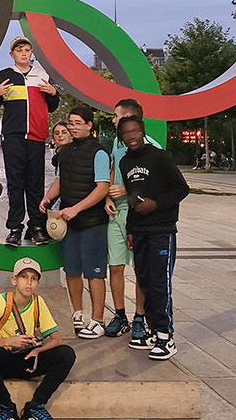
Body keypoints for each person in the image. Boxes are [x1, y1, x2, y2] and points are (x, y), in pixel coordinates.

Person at [117, 115, 190, 360]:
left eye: (135, 132)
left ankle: (166, 337)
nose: (131, 137)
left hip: (162, 230)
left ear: (143, 131)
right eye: (126, 134)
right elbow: (132, 197)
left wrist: (156, 204)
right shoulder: (125, 162)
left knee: (160, 283)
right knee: (145, 282)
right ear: (122, 138)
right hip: (139, 231)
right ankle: (152, 330)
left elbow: (182, 189)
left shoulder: (160, 157)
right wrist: (129, 229)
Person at [0, 258, 75, 420]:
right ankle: (6, 407)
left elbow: (56, 339)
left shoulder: (38, 302)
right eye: (24, 277)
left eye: (34, 278)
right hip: (4, 359)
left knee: (66, 354)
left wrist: (38, 350)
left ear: (38, 282)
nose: (29, 282)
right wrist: (9, 341)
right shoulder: (2, 301)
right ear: (14, 280)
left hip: (28, 359)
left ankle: (36, 407)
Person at [38, 108, 110, 339]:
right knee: (71, 270)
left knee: (95, 272)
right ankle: (77, 313)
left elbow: (102, 188)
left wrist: (76, 208)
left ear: (90, 125)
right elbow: (60, 180)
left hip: (93, 222)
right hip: (69, 223)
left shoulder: (99, 153)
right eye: (71, 123)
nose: (73, 127)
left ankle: (97, 320)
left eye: (78, 123)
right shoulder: (65, 152)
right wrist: (48, 197)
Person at [0, 37, 60, 246]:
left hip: (36, 137)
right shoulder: (5, 75)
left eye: (27, 50)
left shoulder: (41, 74)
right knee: (15, 183)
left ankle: (37, 226)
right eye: (19, 50)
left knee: (35, 184)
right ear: (12, 55)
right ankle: (15, 227)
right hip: (14, 137)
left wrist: (54, 93)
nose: (24, 53)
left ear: (31, 53)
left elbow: (52, 106)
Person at [101, 99, 148, 340]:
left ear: (129, 118)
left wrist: (129, 194)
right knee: (115, 266)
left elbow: (157, 186)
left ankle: (140, 316)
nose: (113, 119)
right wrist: (109, 195)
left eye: (116, 115)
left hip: (139, 215)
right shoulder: (118, 144)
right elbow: (112, 170)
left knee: (140, 268)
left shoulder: (152, 147)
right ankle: (120, 315)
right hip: (115, 212)